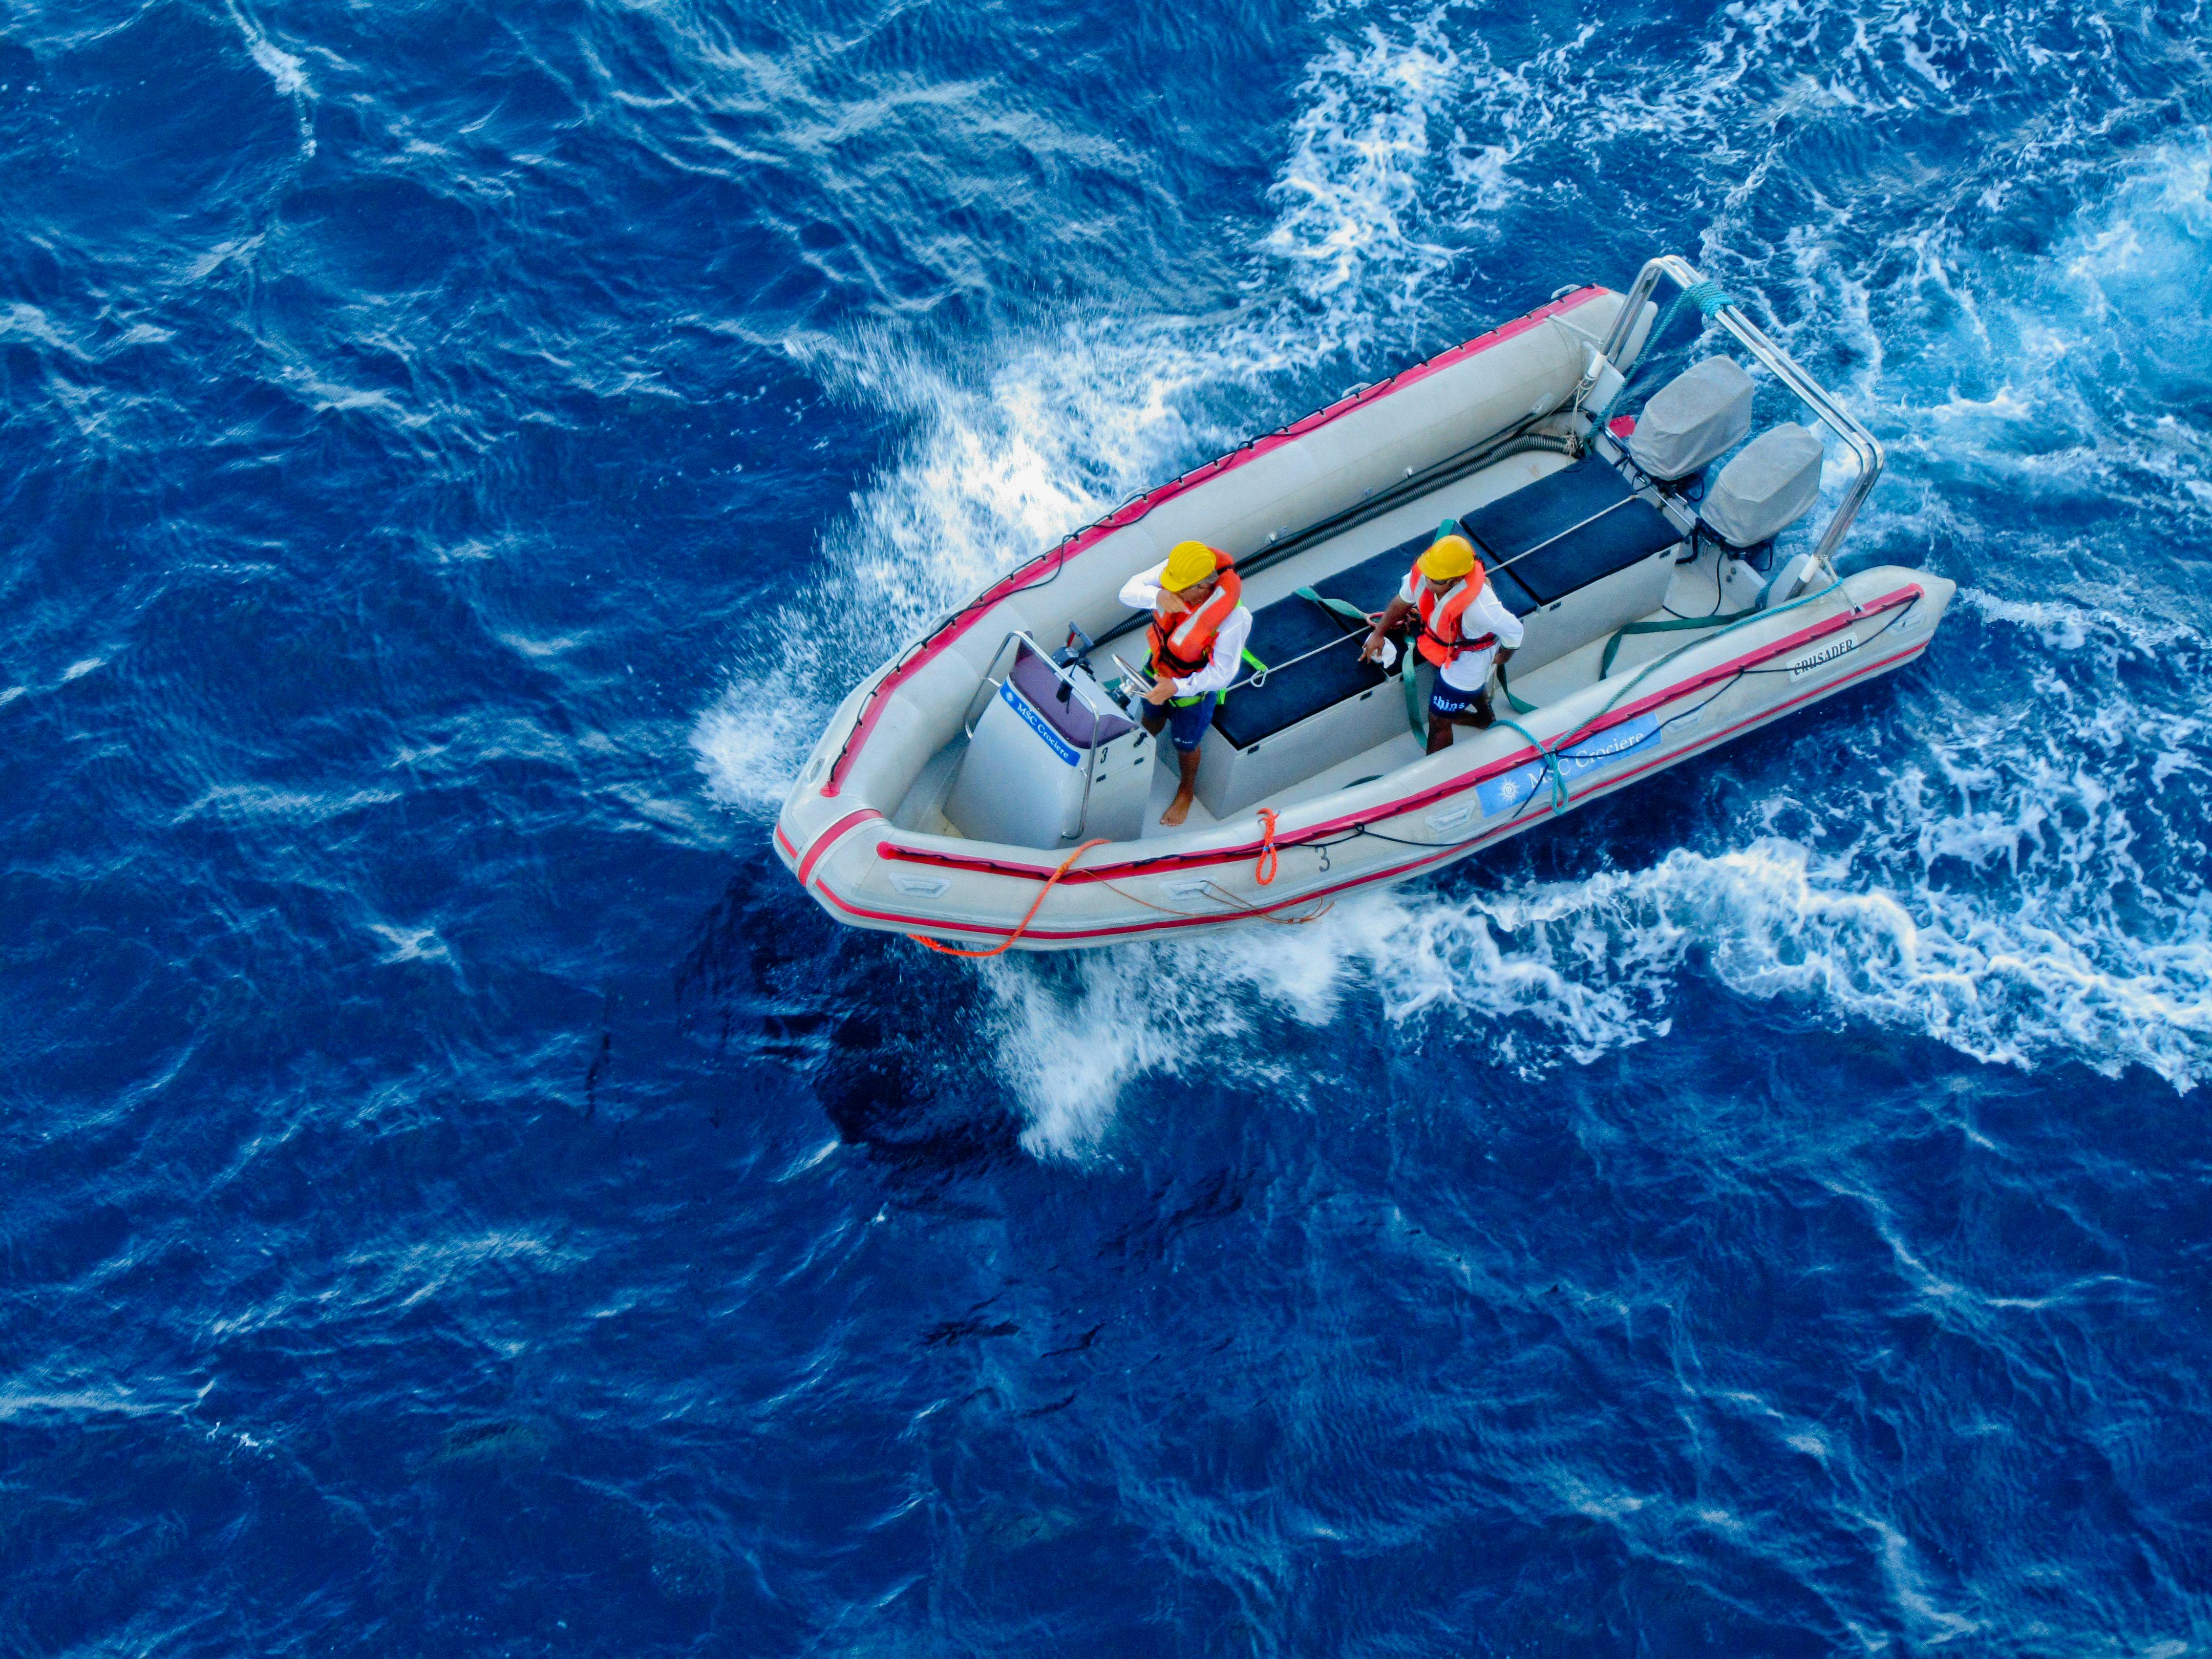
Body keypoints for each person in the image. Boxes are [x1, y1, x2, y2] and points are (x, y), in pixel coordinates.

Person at [1118, 539, 1253, 826]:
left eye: (1179, 591)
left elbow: (1223, 674)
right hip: (1158, 667)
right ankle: (1136, 757)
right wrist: (1157, 598)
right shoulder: (1178, 571)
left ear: (1202, 588)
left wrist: (1177, 688)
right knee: (1150, 716)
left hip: (1195, 692)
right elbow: (1127, 592)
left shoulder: (1235, 618)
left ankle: (1186, 790)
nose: (1171, 592)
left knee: (1186, 743)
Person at [1359, 525, 1524, 754]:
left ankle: (1435, 779)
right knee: (1454, 696)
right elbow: (1402, 602)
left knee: (1438, 721)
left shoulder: (1482, 609)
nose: (1427, 582)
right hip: (1441, 642)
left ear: (1456, 581)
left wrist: (1504, 656)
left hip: (1469, 661)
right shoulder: (1425, 576)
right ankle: (1485, 718)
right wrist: (1378, 634)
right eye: (1427, 574)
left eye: (1435, 580)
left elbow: (1515, 631)